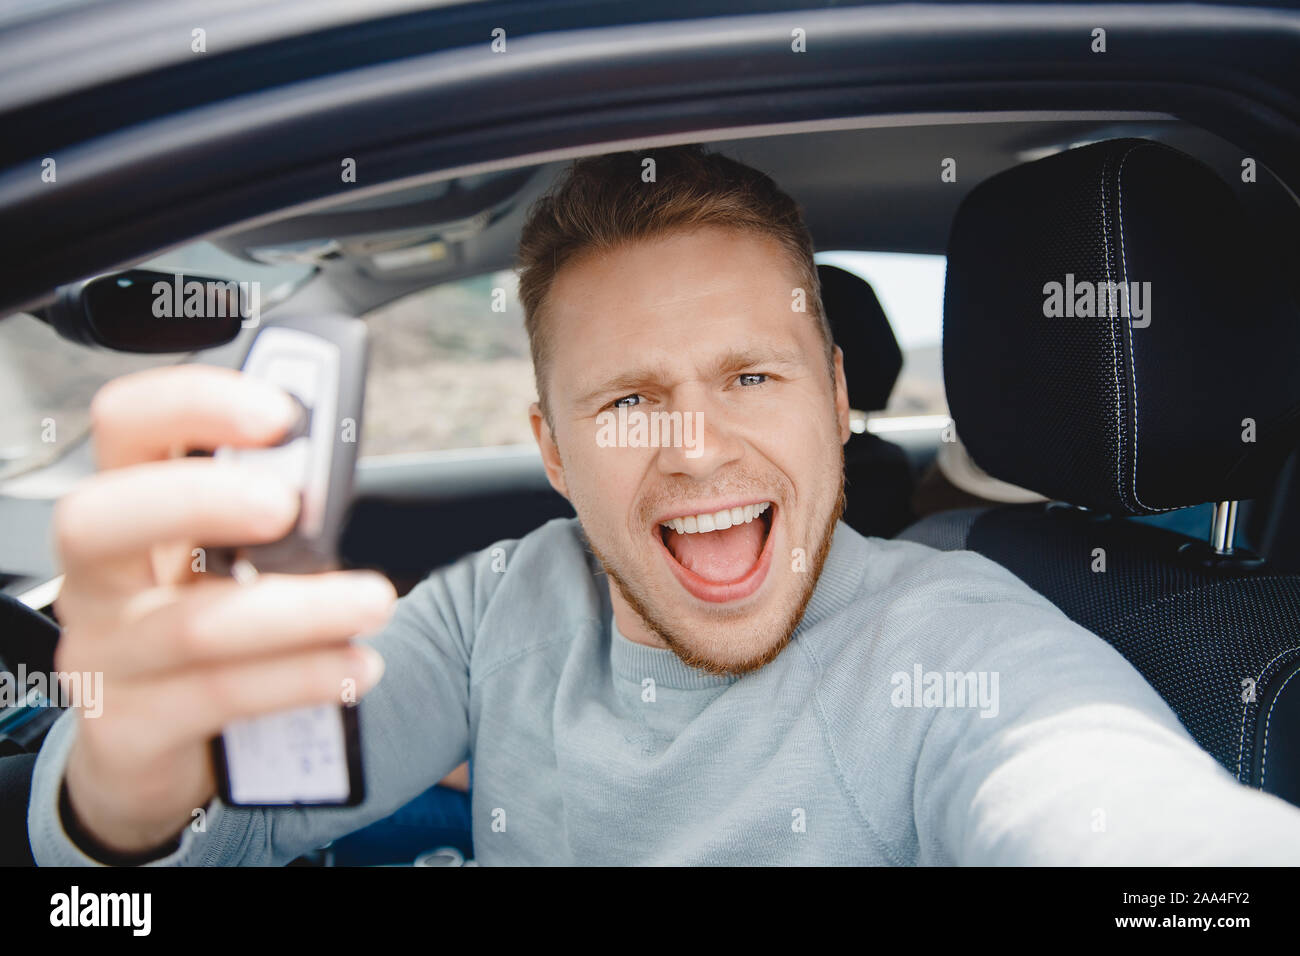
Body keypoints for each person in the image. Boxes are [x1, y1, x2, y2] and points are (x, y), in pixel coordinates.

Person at [28, 146, 1300, 865]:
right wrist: (131, 775)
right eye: (629, 400)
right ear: (553, 450)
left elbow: (1112, 813)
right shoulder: (493, 605)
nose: (697, 449)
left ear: (834, 397)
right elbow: (217, 840)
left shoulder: (954, 644)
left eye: (751, 376)